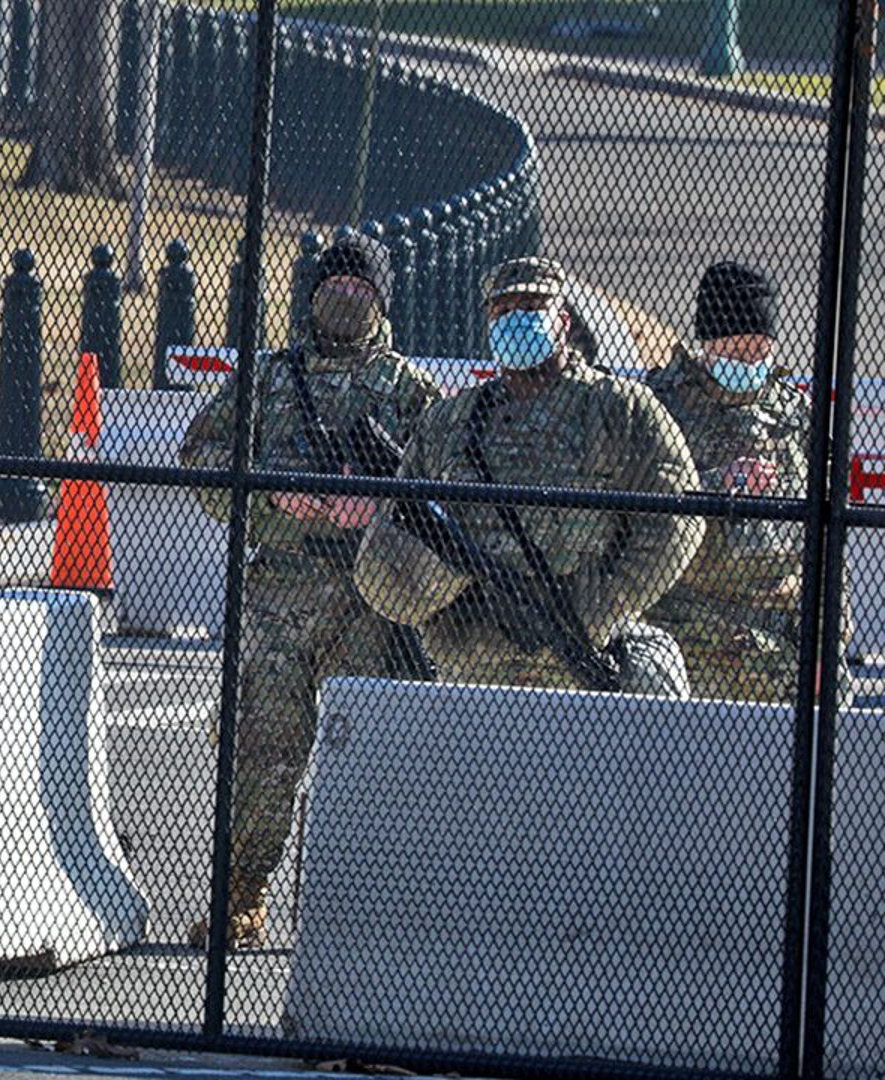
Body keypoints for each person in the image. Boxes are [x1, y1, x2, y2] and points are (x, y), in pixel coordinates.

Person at [177, 233, 441, 948]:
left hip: (373, 601)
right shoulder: (269, 378)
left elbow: (451, 498)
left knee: (367, 765)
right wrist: (276, 500)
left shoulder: (412, 392)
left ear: (384, 299)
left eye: (363, 286)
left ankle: (353, 913)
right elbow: (200, 454)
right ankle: (240, 899)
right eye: (337, 284)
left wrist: (381, 505)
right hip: (278, 602)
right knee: (263, 755)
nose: (348, 297)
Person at [354, 256, 703, 696]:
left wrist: (607, 604)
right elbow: (398, 524)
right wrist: (435, 583)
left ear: (562, 320)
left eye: (531, 306)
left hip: (578, 653)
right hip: (473, 663)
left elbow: (680, 517)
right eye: (503, 311)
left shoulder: (621, 409)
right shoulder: (449, 421)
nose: (516, 319)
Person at [645, 261, 816, 703]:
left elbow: (827, 534)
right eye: (739, 353)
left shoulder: (795, 414)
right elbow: (641, 502)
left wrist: (828, 641)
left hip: (782, 644)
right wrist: (721, 482)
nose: (751, 364)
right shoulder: (662, 406)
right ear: (708, 344)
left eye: (761, 353)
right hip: (695, 632)